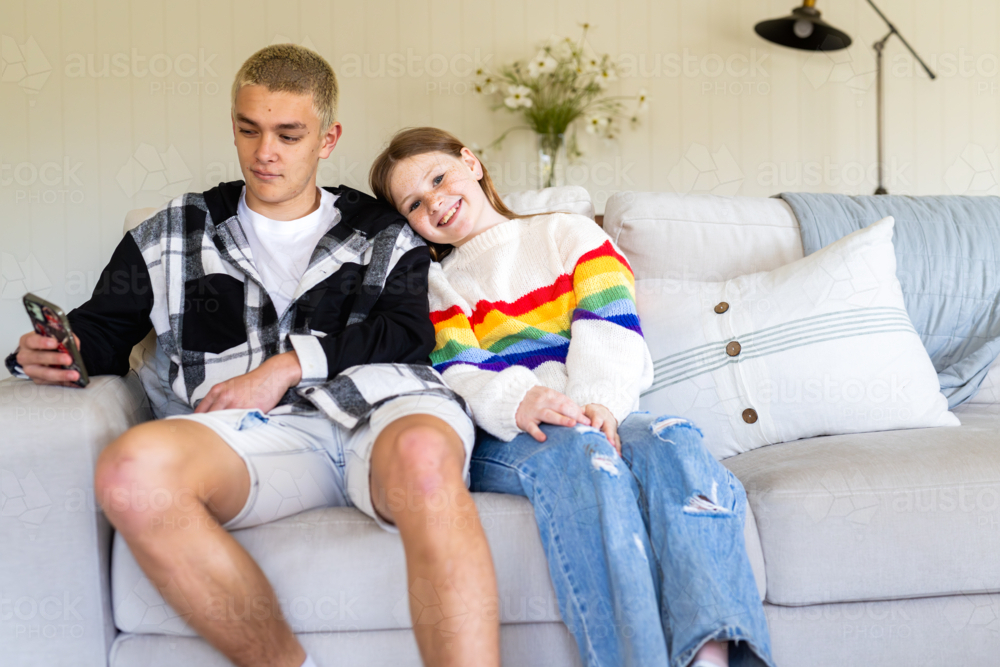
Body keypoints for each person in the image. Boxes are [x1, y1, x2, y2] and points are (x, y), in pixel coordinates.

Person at [7, 49, 499, 667]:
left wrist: (286, 366)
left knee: (426, 460)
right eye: (248, 129)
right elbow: (101, 332)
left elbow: (406, 333)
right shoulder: (172, 234)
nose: (265, 151)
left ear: (327, 139)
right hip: (251, 439)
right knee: (131, 477)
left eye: (289, 134)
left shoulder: (382, 228)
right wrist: (50, 353)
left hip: (383, 409)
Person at [369, 127, 776, 667]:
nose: (435, 202)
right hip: (514, 432)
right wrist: (523, 400)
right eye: (414, 203)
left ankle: (713, 649)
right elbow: (457, 371)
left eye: (439, 178)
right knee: (589, 460)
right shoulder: (437, 282)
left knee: (673, 439)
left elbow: (610, 321)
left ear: (471, 161)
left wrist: (598, 402)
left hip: (598, 408)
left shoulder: (568, 233)